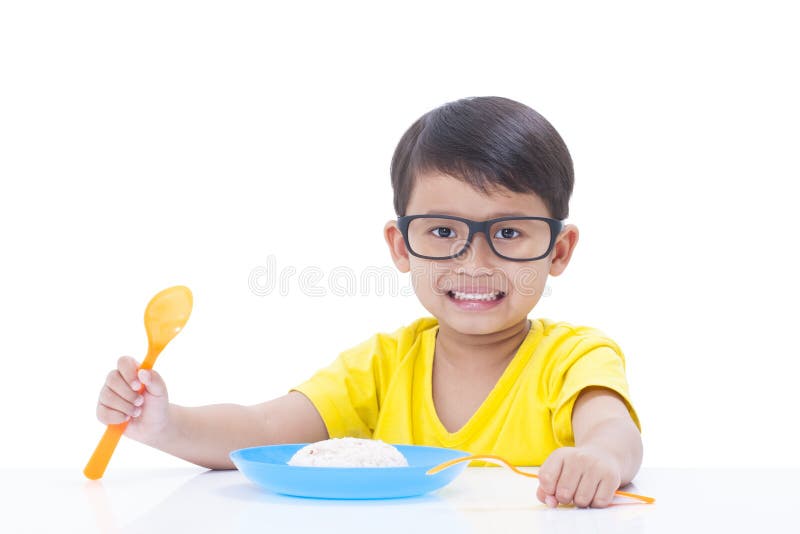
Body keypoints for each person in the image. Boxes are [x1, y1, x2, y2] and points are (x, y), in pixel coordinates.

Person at [95, 96, 643, 509]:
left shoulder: (575, 357)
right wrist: (164, 424)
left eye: (509, 233)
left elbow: (615, 433)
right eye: (443, 231)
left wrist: (599, 460)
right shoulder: (381, 367)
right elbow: (263, 429)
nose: (474, 262)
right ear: (401, 246)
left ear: (559, 249)